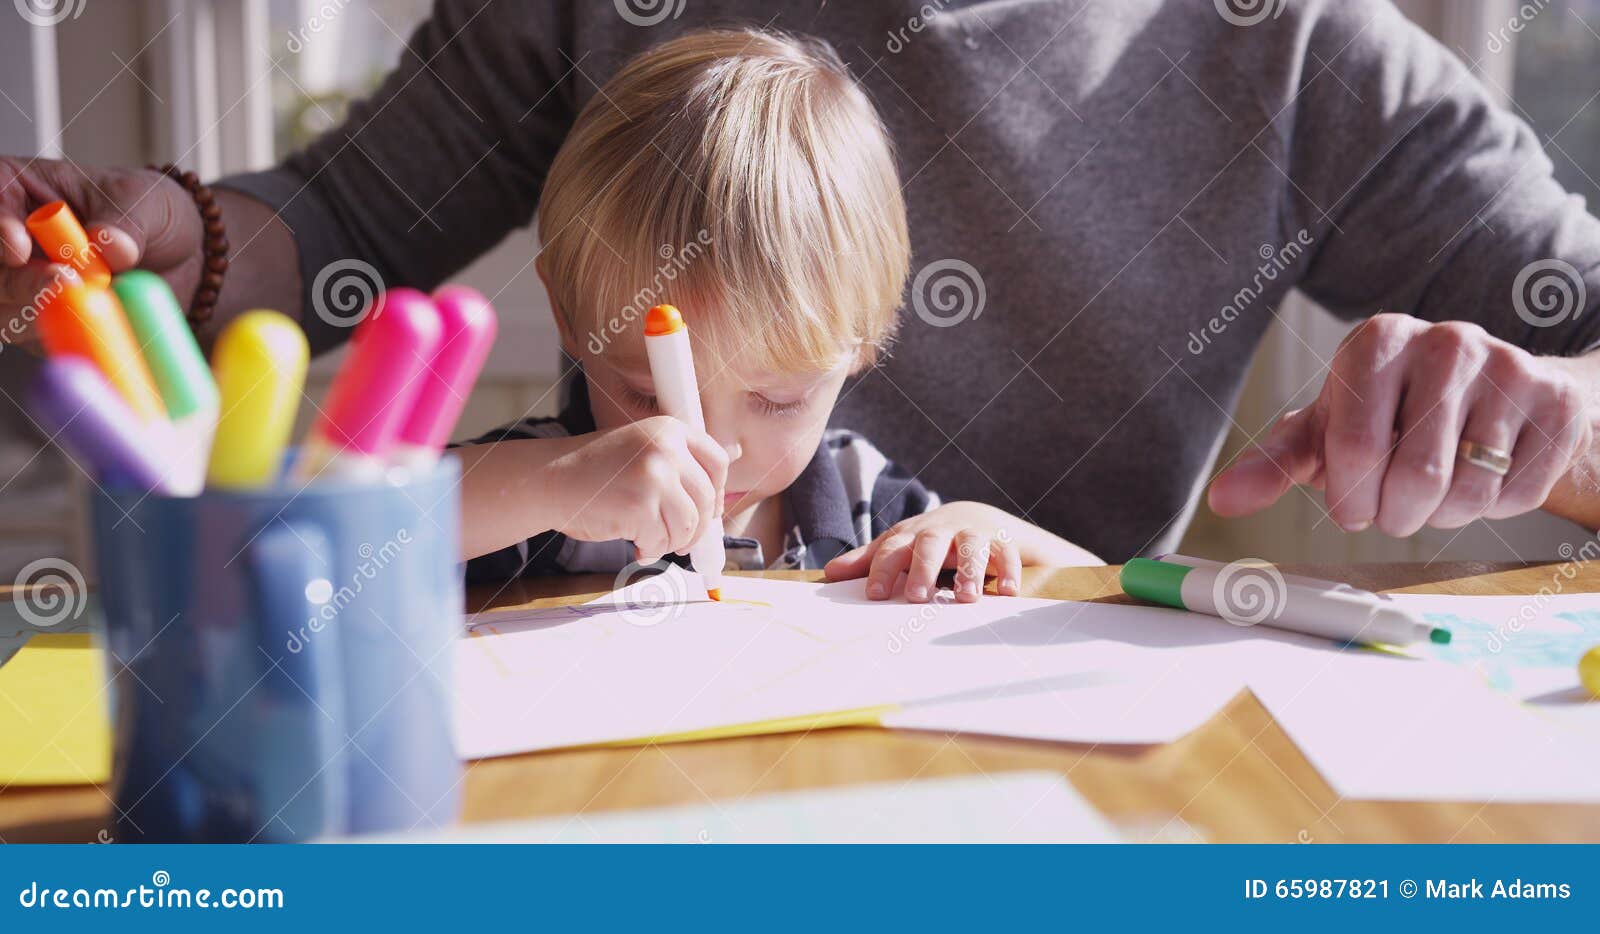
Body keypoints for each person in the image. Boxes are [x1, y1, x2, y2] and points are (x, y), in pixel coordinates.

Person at [1, 0, 1598, 588]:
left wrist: (1561, 414)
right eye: (639, 378)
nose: (714, 432)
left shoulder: (1307, 46)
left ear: (861, 349)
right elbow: (339, 224)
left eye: (788, 391)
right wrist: (186, 236)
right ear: (572, 318)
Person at [454, 28, 1100, 602]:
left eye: (777, 398)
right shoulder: (530, 493)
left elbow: (1103, 594)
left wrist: (990, 532)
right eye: (648, 393)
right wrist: (550, 490)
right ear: (568, 314)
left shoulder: (865, 502)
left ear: (862, 342)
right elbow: (359, 540)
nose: (717, 447)